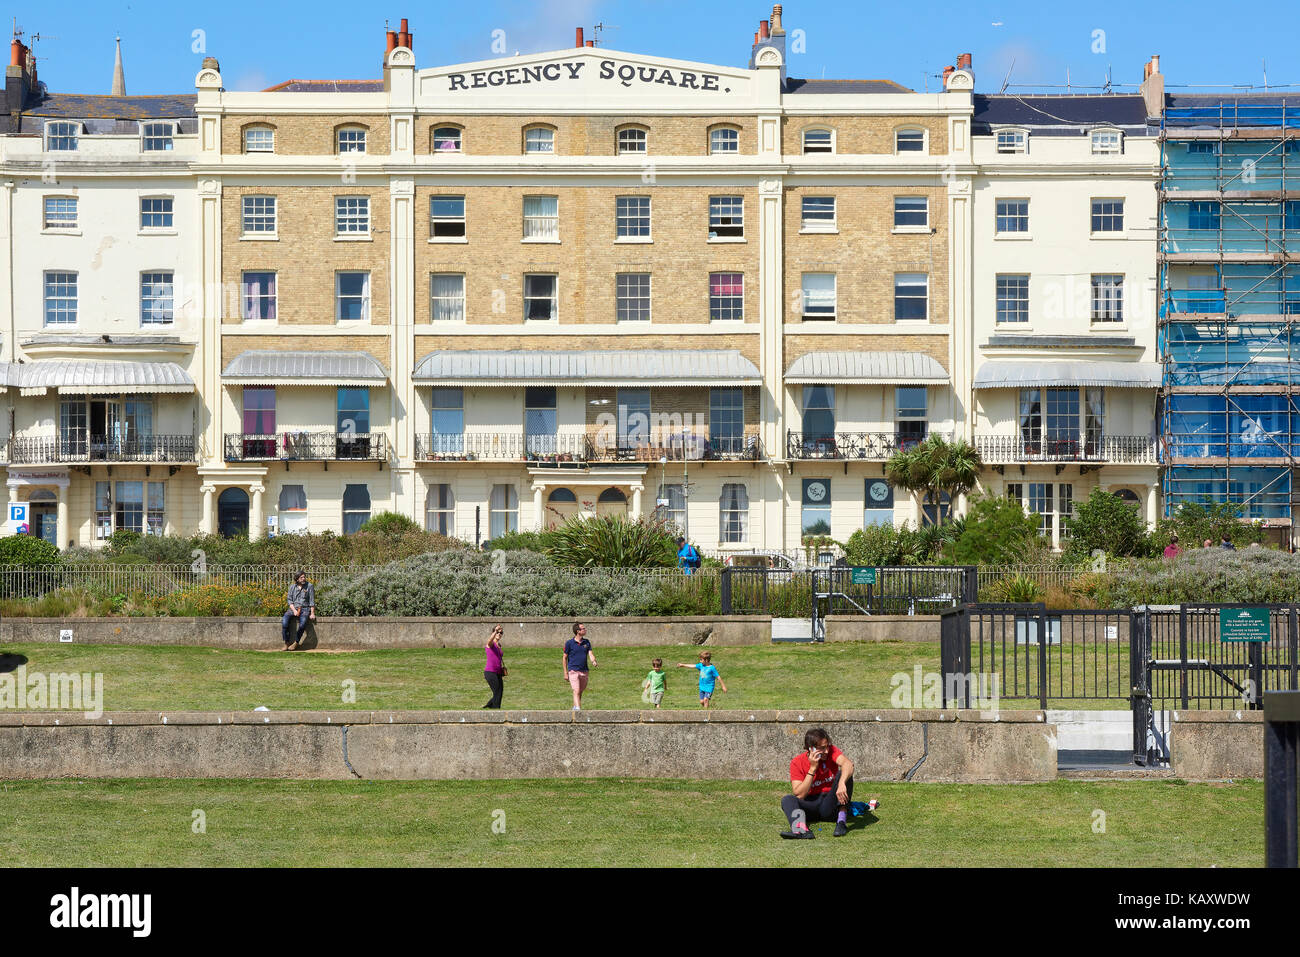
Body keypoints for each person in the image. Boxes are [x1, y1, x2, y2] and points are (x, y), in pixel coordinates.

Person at [780, 728, 855, 839]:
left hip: (829, 805)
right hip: (811, 805)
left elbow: (848, 764)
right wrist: (812, 768)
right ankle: (801, 830)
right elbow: (800, 795)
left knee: (844, 774)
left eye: (827, 746)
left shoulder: (832, 751)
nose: (826, 751)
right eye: (822, 748)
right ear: (811, 749)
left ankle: (841, 822)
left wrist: (842, 783)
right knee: (787, 799)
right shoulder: (797, 762)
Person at [563, 622, 596, 711]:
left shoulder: (587, 642)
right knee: (576, 690)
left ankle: (575, 707)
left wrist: (593, 660)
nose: (585, 630)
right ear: (578, 631)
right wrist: (565, 672)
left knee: (580, 691)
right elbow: (564, 657)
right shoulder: (569, 643)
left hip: (584, 671)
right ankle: (578, 709)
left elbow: (590, 653)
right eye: (583, 629)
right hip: (573, 671)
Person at [281, 570, 315, 651]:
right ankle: (286, 643)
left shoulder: (309, 586)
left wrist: (312, 613)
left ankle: (296, 642)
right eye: (301, 577)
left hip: (305, 609)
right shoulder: (292, 587)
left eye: (304, 577)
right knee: (284, 622)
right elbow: (289, 600)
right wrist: (294, 610)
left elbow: (312, 601)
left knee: (302, 624)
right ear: (297, 579)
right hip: (293, 608)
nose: (303, 579)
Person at [484, 624, 507, 709]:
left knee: (500, 691)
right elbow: (489, 640)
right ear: (494, 633)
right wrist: (495, 631)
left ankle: (492, 705)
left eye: (501, 633)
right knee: (497, 691)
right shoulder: (490, 644)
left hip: (498, 672)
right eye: (498, 632)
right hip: (490, 672)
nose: (499, 634)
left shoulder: (499, 645)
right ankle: (495, 708)